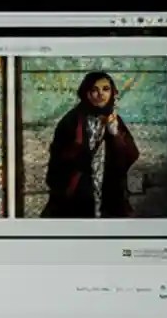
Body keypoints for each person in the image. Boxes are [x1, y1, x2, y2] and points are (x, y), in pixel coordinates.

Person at [41, 71, 140, 218]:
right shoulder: (71, 121)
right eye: (94, 90)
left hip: (109, 193)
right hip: (78, 195)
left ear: (113, 92)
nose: (101, 94)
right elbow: (58, 162)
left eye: (106, 89)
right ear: (86, 93)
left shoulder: (115, 120)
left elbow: (130, 156)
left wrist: (115, 134)